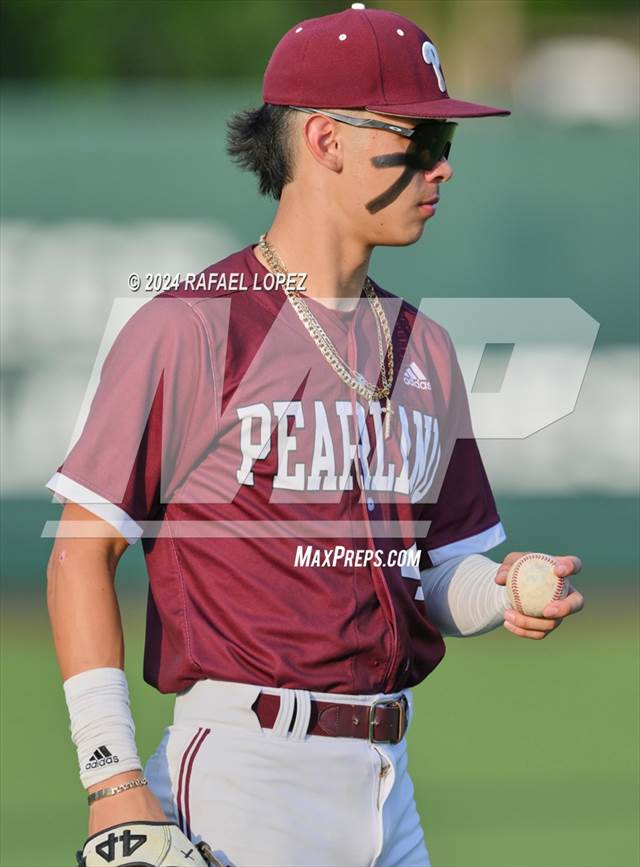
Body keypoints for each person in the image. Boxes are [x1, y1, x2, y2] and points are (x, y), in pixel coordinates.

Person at [46, 5, 584, 866]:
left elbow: (440, 574)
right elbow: (80, 552)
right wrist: (110, 777)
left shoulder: (424, 347)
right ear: (327, 140)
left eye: (447, 144)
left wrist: (510, 584)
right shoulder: (190, 326)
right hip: (242, 777)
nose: (440, 168)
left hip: (385, 779)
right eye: (417, 138)